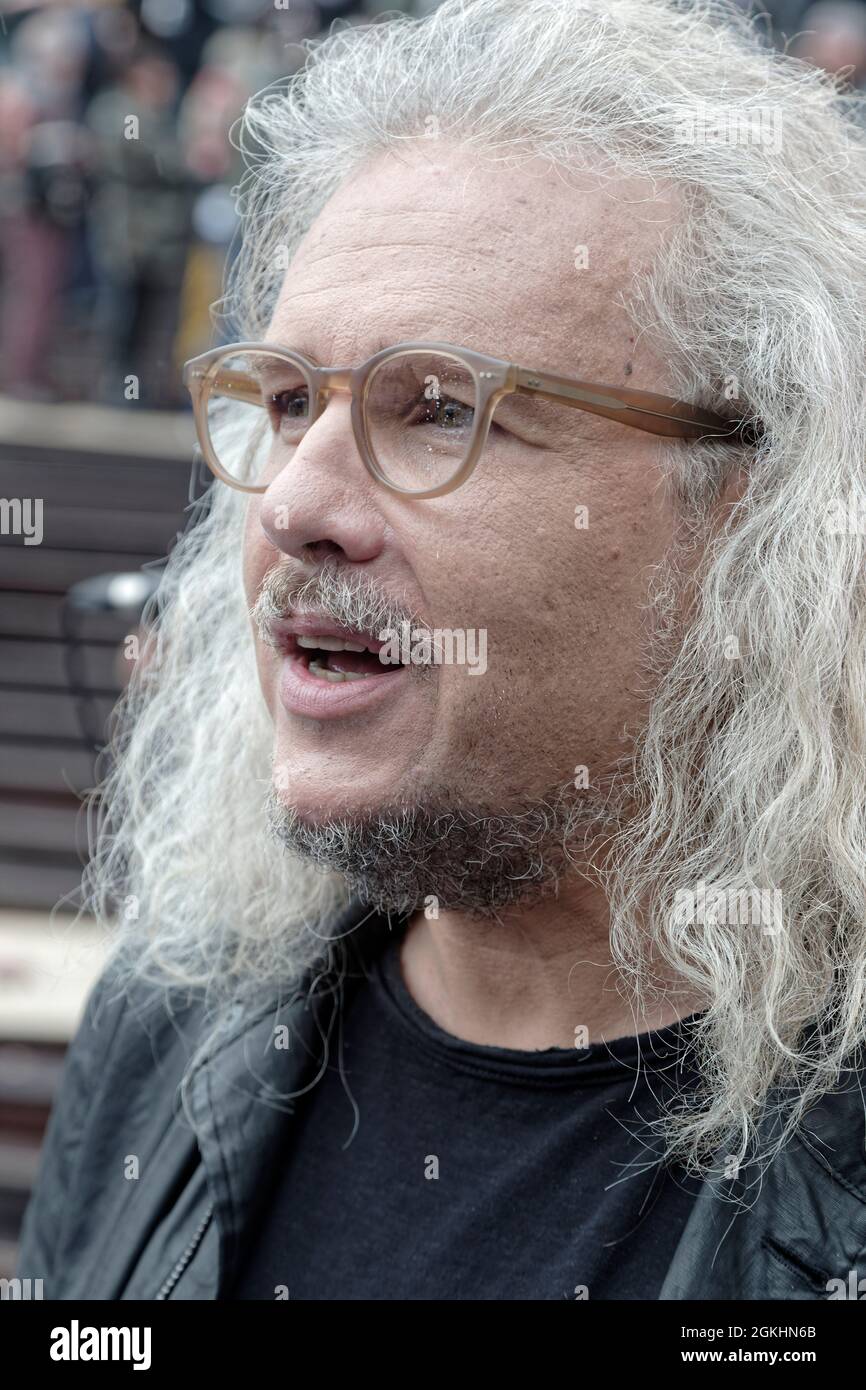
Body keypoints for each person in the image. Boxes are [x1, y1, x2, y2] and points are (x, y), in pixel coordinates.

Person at [15, 0, 866, 1301]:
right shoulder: (176, 1016)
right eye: (290, 399)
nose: (293, 503)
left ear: (752, 515)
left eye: (441, 410)